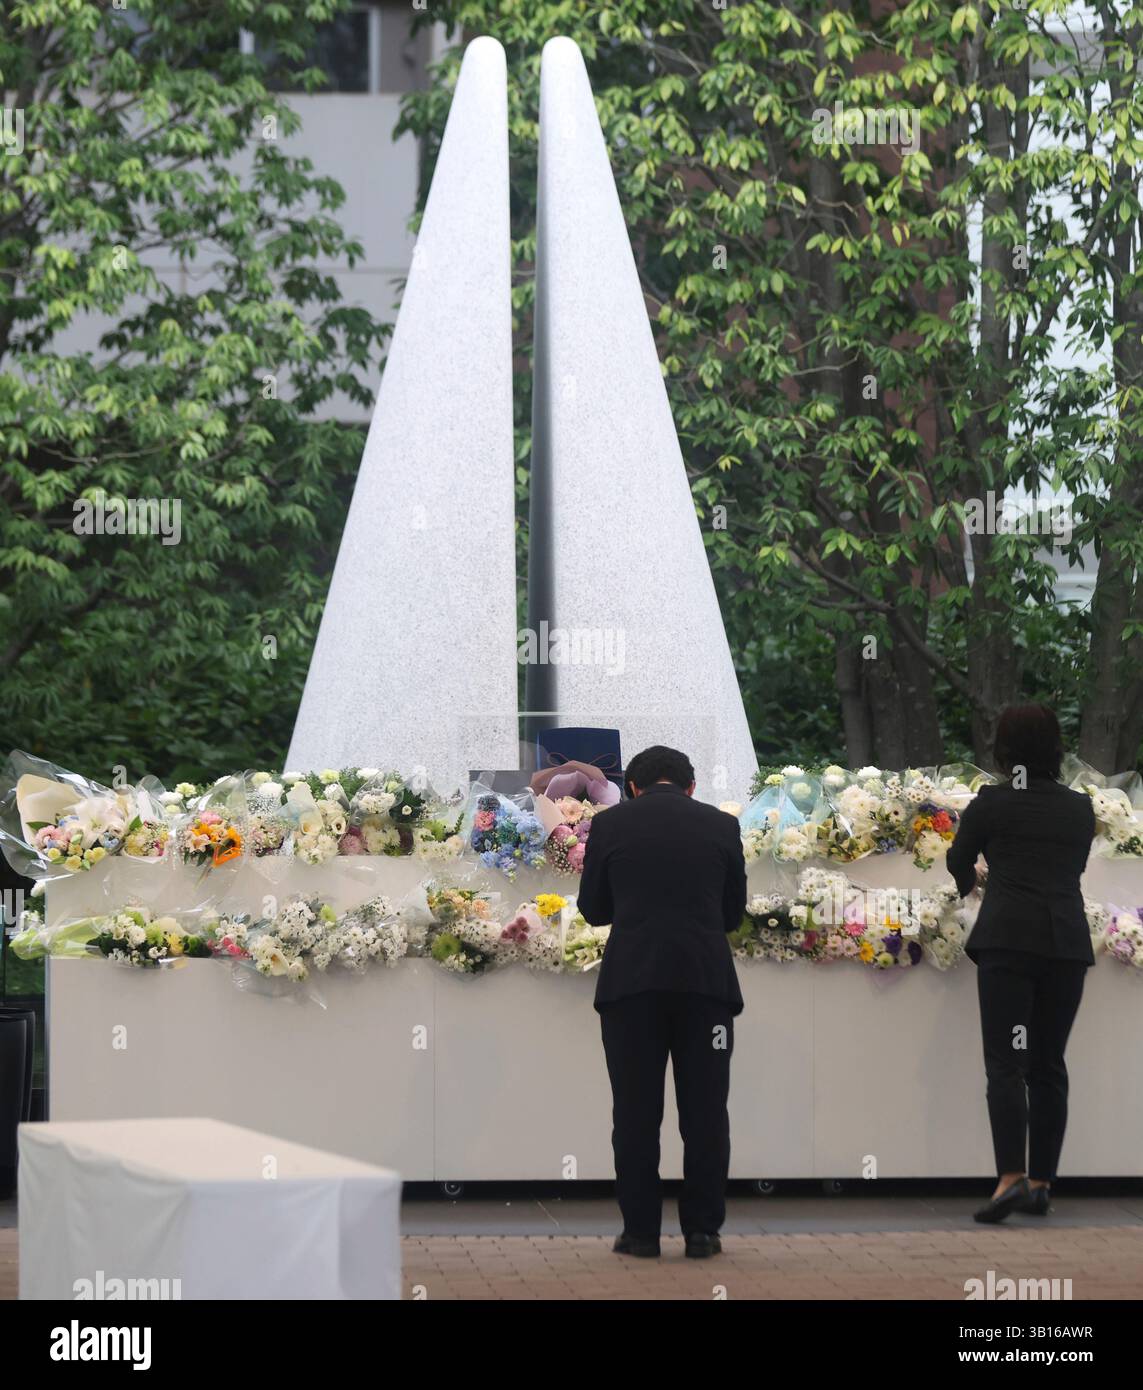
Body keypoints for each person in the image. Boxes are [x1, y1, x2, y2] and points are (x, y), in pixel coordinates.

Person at [576, 745, 747, 1259]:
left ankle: (641, 1233)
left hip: (632, 987)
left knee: (634, 1110)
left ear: (631, 786)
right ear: (691, 786)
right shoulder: (721, 826)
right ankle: (702, 1231)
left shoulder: (610, 826)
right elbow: (733, 914)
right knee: (706, 1112)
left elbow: (592, 909)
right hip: (705, 987)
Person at [945, 704, 1095, 1223]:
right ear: (1056, 747)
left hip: (1008, 942)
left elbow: (957, 860)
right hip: (1067, 945)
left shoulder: (991, 803)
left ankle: (1009, 1179)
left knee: (1007, 1063)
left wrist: (973, 889)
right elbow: (1072, 868)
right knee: (1049, 1065)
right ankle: (1041, 1183)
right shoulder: (1080, 808)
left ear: (1004, 750)